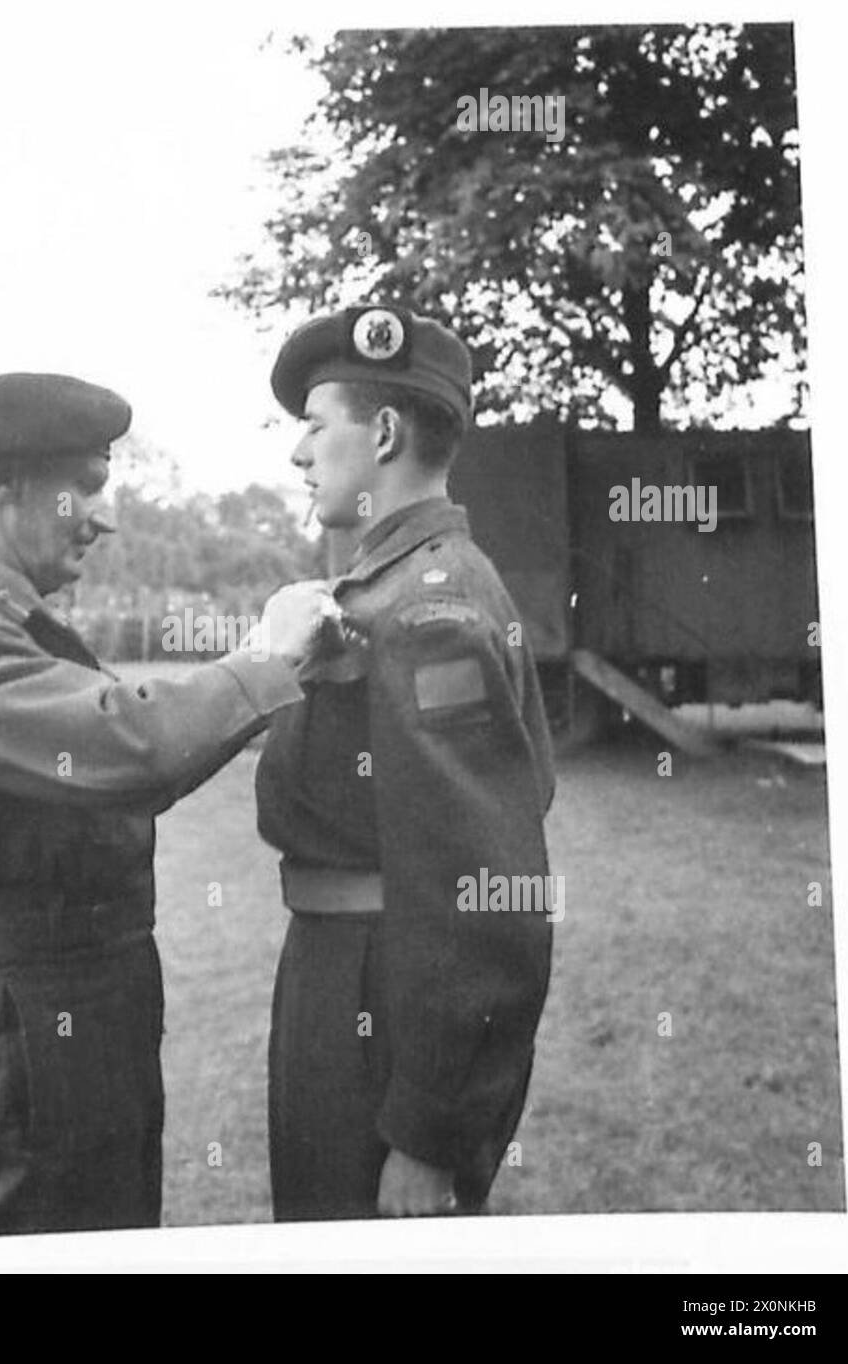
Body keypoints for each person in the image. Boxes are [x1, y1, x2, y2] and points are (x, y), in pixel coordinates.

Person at [0, 371, 330, 1236]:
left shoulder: (4, 622)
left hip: (70, 1010)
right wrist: (269, 657)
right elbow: (124, 745)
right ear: (1, 482)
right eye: (84, 488)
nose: (104, 518)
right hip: (23, 1031)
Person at [256, 305, 556, 1219]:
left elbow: (484, 885)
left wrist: (429, 1132)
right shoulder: (394, 583)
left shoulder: (429, 609)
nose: (298, 455)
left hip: (377, 1007)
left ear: (383, 433)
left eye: (314, 426)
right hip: (346, 980)